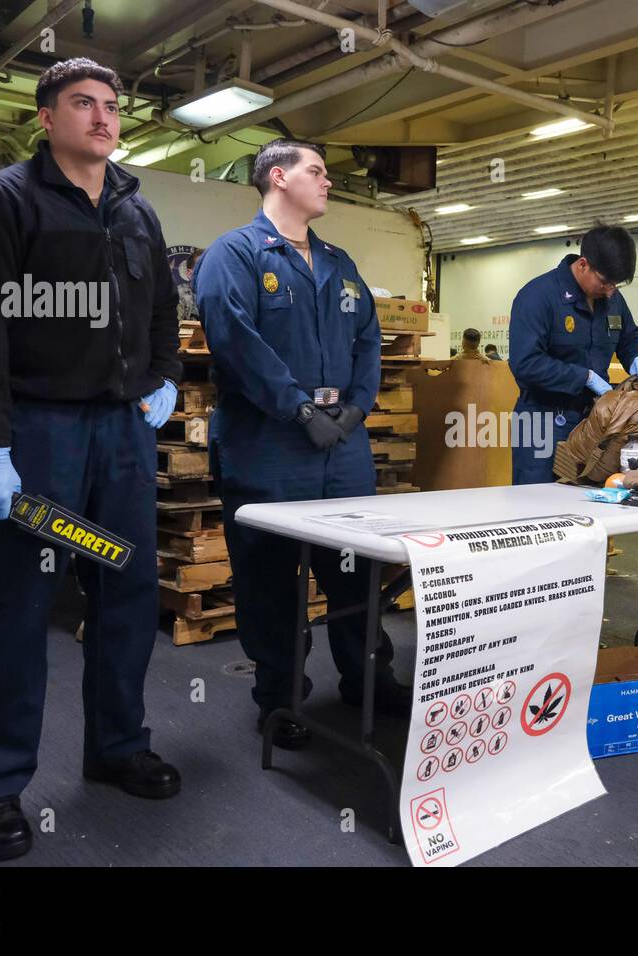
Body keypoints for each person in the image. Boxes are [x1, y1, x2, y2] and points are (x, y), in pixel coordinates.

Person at [0, 58, 182, 861]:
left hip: (121, 435)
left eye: (112, 106)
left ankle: (118, 746)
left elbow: (161, 309)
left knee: (128, 591)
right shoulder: (4, 201)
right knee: (17, 603)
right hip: (39, 432)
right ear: (46, 117)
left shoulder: (135, 211)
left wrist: (166, 380)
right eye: (83, 103)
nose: (103, 117)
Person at [194, 139, 411, 752]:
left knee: (355, 573)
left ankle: (369, 680)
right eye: (317, 171)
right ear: (278, 177)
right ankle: (281, 700)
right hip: (269, 445)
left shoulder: (340, 263)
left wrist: (356, 409)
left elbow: (370, 338)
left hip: (340, 446)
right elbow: (235, 342)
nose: (328, 182)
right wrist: (296, 407)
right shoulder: (233, 255)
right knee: (270, 581)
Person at [508, 224, 638, 484]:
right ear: (583, 264)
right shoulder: (538, 296)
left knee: (589, 494)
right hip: (541, 418)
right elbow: (525, 363)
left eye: (616, 284)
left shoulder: (612, 299)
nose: (610, 290)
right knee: (535, 499)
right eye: (605, 282)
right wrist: (583, 377)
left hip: (594, 418)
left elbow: (629, 336)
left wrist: (637, 356)